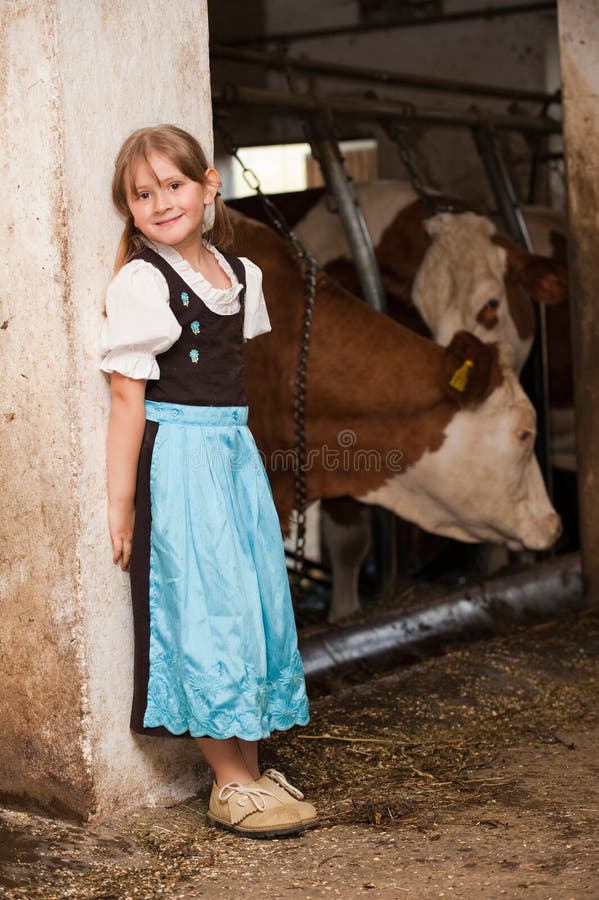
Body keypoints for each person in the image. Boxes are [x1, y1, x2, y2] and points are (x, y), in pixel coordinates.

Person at [101, 124, 317, 838]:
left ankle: (249, 770)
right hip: (181, 459)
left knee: (249, 598)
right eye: (142, 193)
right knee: (204, 607)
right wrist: (122, 501)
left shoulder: (241, 273)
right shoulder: (142, 280)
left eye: (173, 184)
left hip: (231, 451)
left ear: (208, 186)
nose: (160, 202)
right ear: (129, 208)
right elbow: (128, 399)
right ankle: (226, 781)